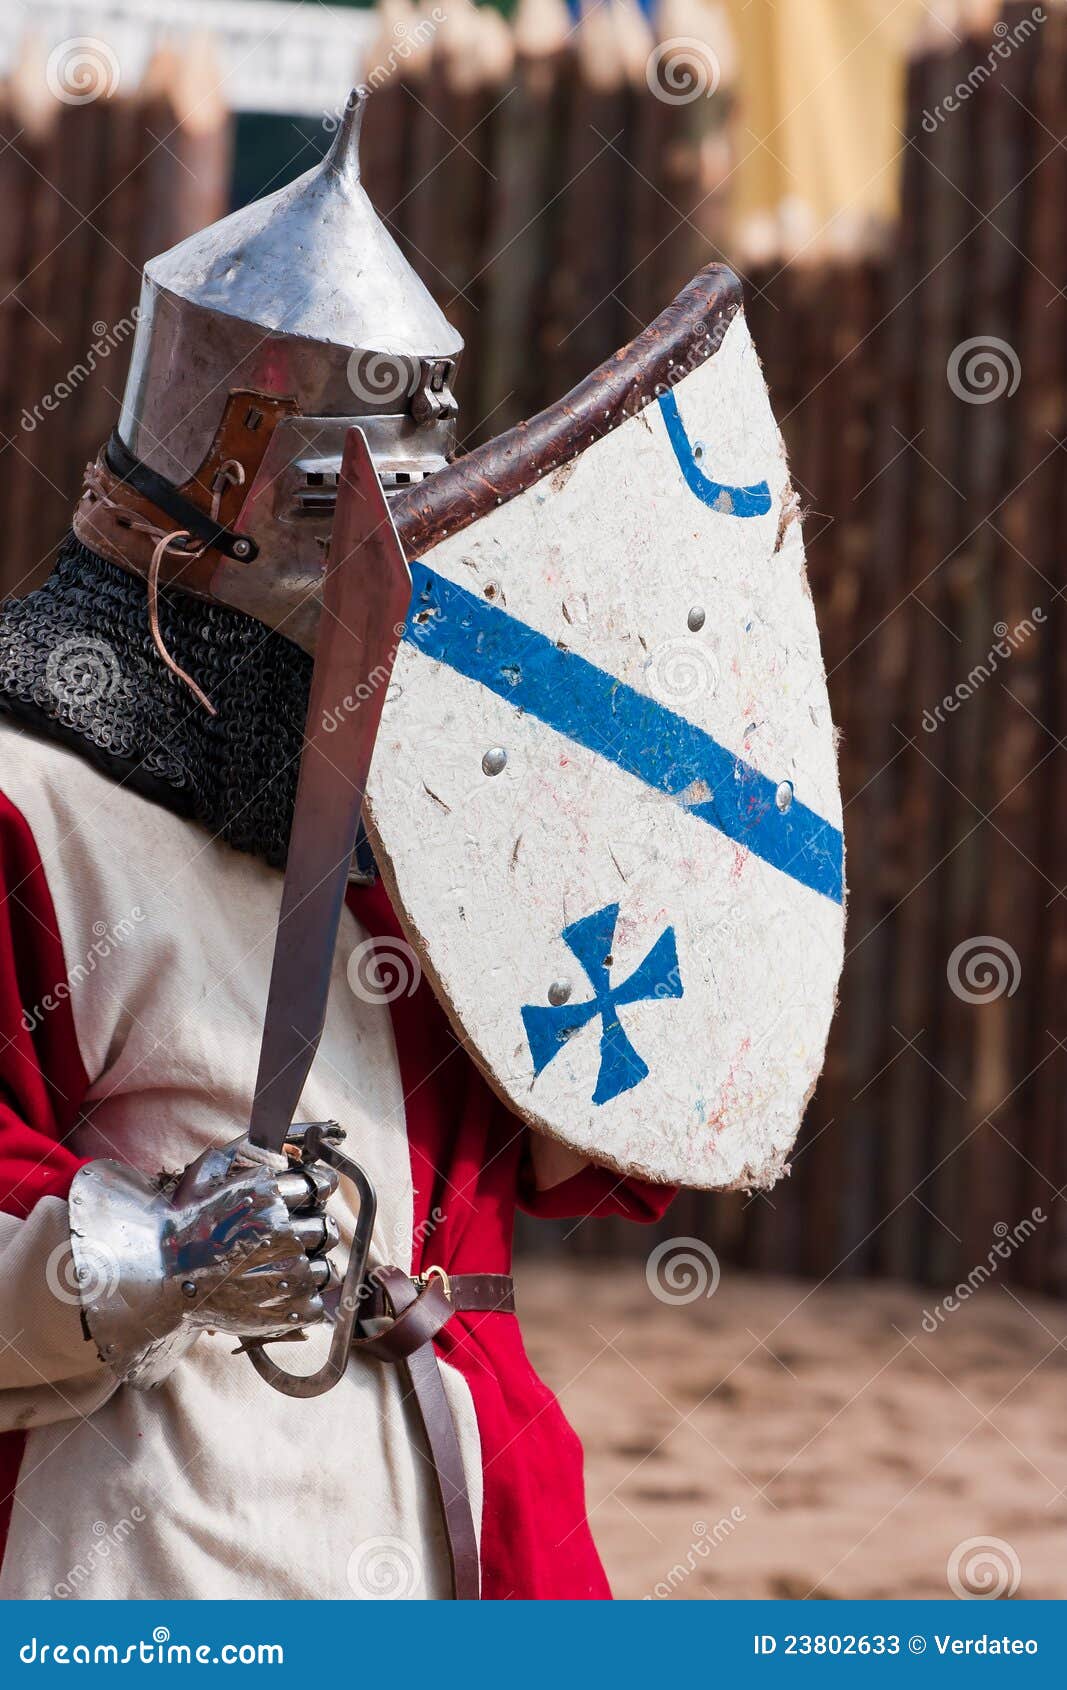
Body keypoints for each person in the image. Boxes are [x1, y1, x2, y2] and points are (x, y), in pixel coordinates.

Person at [0, 91, 672, 1603]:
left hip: (454, 1499)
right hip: (153, 1534)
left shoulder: (427, 803)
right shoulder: (22, 800)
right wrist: (164, 1252)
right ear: (239, 454)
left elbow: (582, 1121)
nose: (392, 521)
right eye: (354, 473)